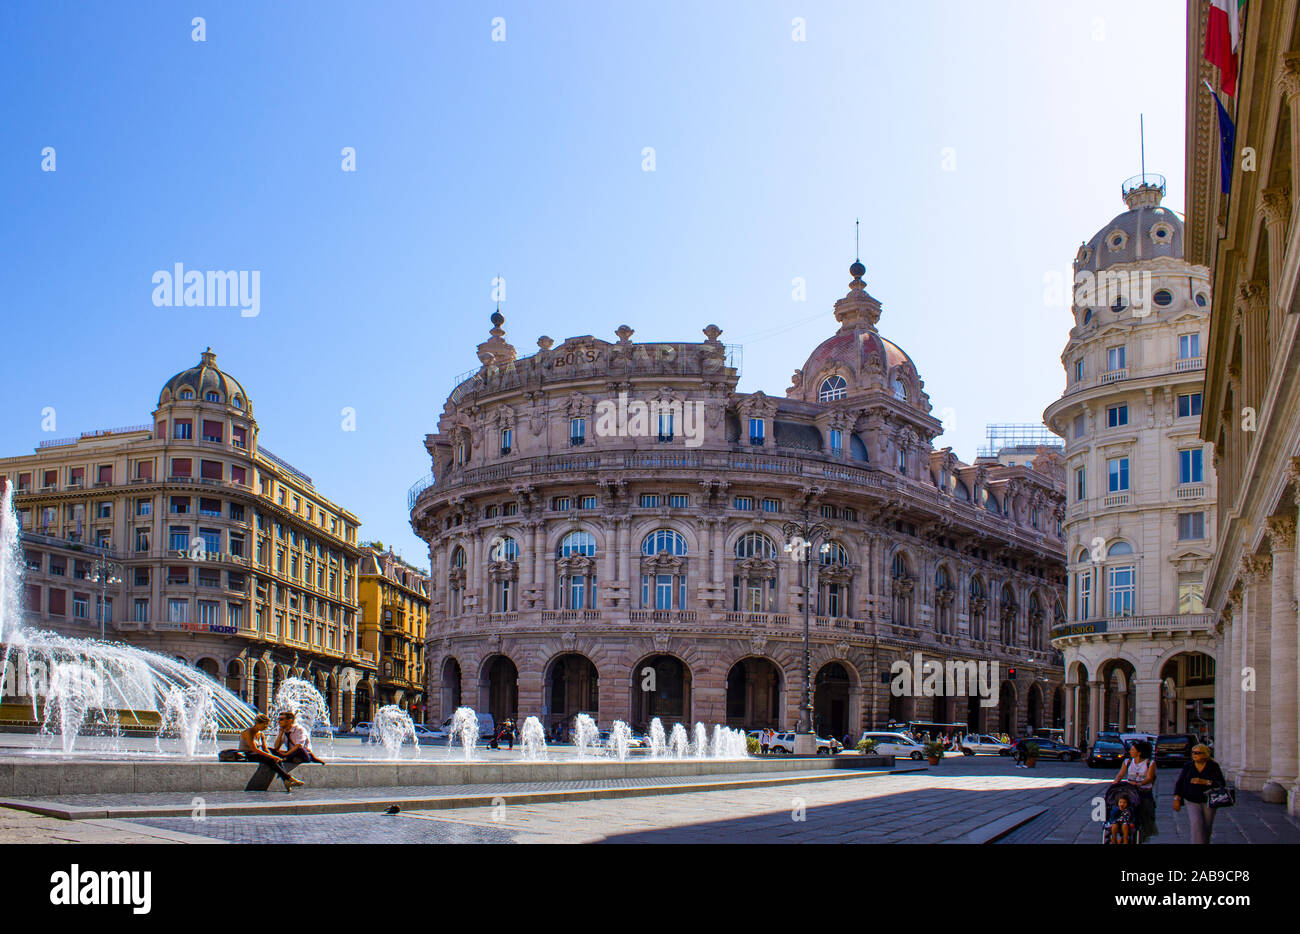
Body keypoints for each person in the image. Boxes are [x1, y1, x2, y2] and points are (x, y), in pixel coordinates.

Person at [1173, 744, 1227, 844]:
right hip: (1191, 799)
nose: (1194, 755)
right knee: (1196, 824)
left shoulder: (1213, 766)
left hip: (1208, 800)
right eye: (1193, 753)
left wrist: (1205, 782)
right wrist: (1177, 799)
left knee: (1207, 827)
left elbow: (1221, 783)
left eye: (1197, 753)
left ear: (1205, 754)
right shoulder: (1188, 766)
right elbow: (1180, 782)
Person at [239, 714, 304, 792]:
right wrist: (271, 757)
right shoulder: (249, 732)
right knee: (271, 759)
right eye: (265, 724)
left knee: (277, 760)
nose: (266, 727)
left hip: (256, 755)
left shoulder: (261, 734)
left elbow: (265, 748)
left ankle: (286, 780)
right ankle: (289, 778)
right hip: (247, 754)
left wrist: (273, 756)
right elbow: (254, 749)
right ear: (258, 723)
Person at [1115, 740, 1158, 840]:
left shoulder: (1149, 763)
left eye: (1132, 749)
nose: (1130, 751)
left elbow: (1149, 778)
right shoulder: (1128, 762)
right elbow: (1121, 774)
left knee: (1145, 810)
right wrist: (1116, 782)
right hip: (1130, 790)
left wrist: (1139, 784)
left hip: (1144, 791)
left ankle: (1144, 831)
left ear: (1139, 752)